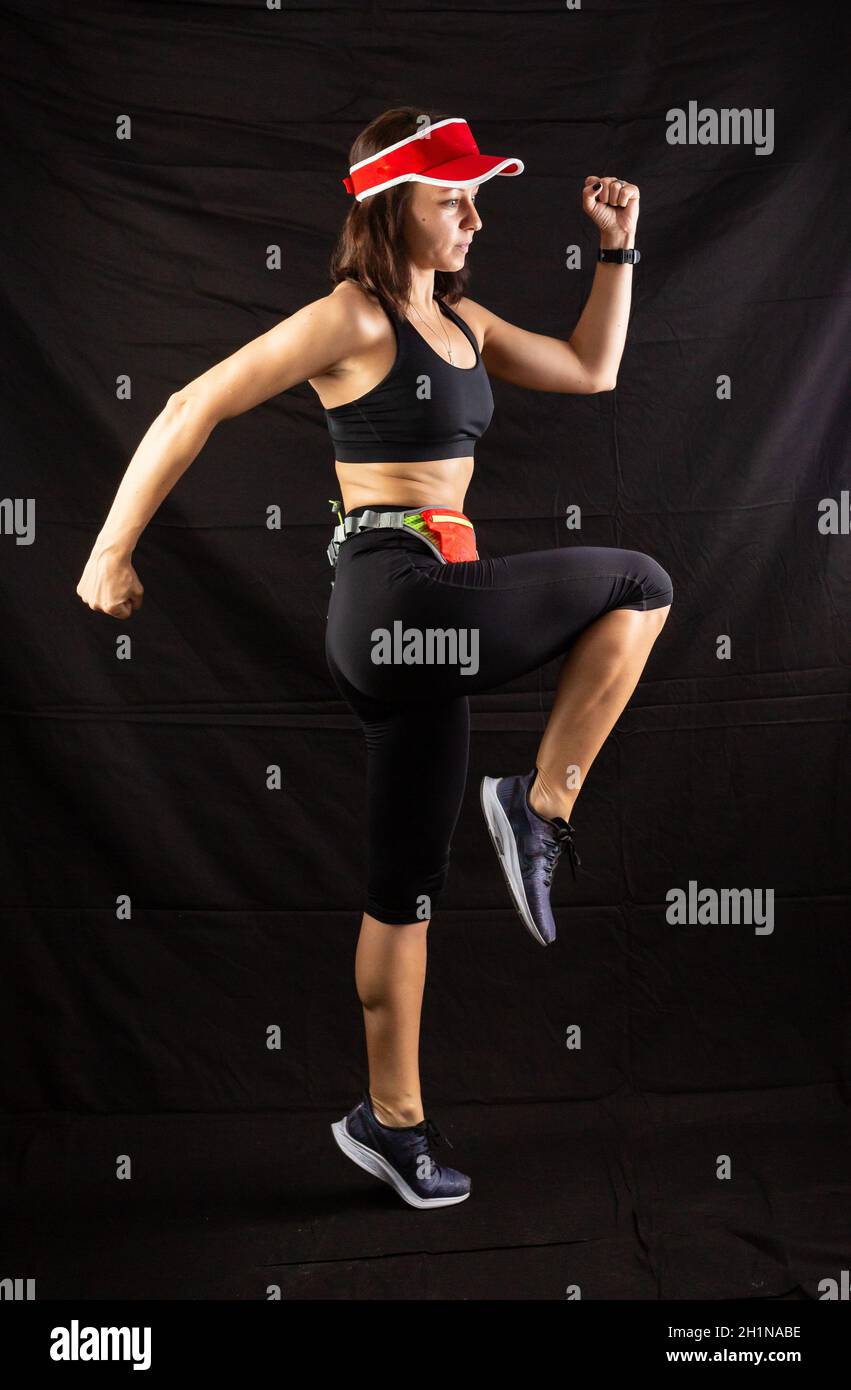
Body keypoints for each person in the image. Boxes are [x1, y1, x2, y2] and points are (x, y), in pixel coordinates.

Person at [76, 105, 672, 1212]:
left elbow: (593, 369)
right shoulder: (349, 319)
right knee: (638, 582)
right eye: (454, 198)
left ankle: (387, 1123)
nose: (475, 216)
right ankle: (540, 806)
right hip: (393, 594)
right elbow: (192, 401)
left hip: (424, 630)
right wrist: (111, 549)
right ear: (391, 203)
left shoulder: (466, 323)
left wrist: (615, 248)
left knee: (405, 889)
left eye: (476, 196)